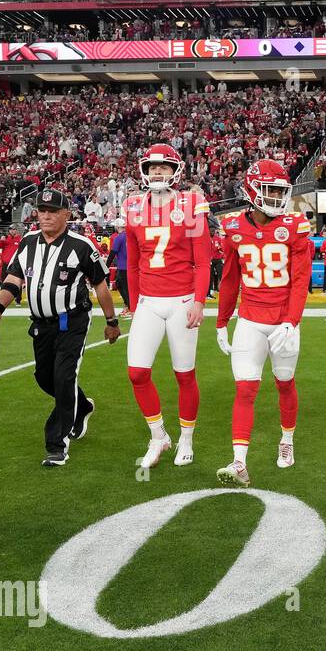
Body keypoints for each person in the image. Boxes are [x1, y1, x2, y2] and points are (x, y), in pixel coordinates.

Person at [0, 189, 121, 467]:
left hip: (72, 321)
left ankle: (57, 445)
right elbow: (14, 279)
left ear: (66, 215)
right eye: (42, 210)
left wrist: (111, 322)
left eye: (52, 211)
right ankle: (82, 407)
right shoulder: (28, 242)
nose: (45, 215)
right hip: (41, 324)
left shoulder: (81, 245)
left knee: (63, 377)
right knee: (44, 377)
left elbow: (101, 287)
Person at [213, 160, 313, 487]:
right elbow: (229, 280)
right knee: (245, 388)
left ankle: (287, 440)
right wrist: (221, 321)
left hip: (283, 318)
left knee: (284, 382)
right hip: (251, 319)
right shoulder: (232, 226)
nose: (274, 196)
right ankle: (238, 460)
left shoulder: (295, 225)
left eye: (279, 191)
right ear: (253, 188)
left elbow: (300, 280)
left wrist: (292, 320)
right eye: (269, 189)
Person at [124, 143, 212, 469]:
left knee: (184, 375)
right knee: (137, 373)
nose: (156, 172)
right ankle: (159, 435)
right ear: (144, 171)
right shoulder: (132, 206)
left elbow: (203, 262)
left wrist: (200, 302)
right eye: (151, 167)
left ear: (175, 171)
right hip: (148, 300)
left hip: (182, 300)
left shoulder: (190, 203)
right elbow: (132, 264)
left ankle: (186, 438)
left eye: (162, 167)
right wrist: (134, 305)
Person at [109, 223, 130, 318]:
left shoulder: (119, 238)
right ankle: (128, 306)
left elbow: (113, 252)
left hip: (122, 267)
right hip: (131, 266)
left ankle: (129, 307)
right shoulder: (129, 236)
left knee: (122, 287)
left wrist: (106, 266)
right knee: (127, 288)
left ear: (117, 227)